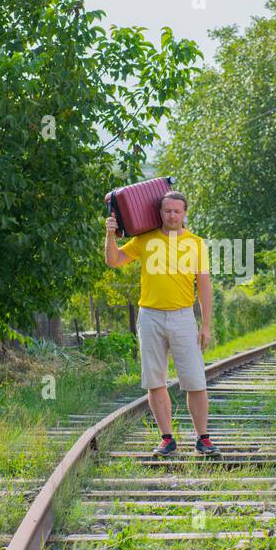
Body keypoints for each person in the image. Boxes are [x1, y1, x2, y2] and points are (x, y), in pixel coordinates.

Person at [104, 190, 220, 457]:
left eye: (177, 211)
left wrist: (205, 325)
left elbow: (204, 286)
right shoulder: (144, 239)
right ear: (160, 212)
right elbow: (113, 260)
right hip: (150, 316)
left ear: (184, 213)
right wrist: (110, 234)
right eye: (167, 211)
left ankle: (203, 438)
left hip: (182, 316)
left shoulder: (196, 244)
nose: (172, 215)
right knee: (155, 381)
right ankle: (167, 439)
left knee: (195, 380)